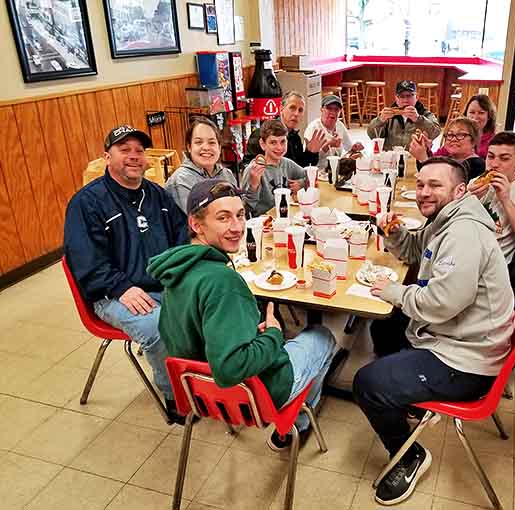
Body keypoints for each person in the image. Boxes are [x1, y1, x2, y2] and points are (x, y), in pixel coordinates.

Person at [354, 156, 515, 505]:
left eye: (435, 185)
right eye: (422, 184)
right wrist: (395, 232)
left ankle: (410, 456)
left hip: (467, 360)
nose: (425, 192)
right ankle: (406, 397)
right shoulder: (446, 219)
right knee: (384, 326)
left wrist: (394, 291)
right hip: (459, 335)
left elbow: (442, 303)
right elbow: (415, 249)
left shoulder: (463, 232)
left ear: (459, 190)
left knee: (366, 383)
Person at [147, 179, 337, 449]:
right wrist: (273, 333)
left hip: (200, 393)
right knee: (322, 336)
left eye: (240, 215)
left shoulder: (175, 271)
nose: (237, 227)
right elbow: (229, 369)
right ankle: (295, 425)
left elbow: (172, 331)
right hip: (250, 397)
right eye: (223, 218)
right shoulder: (223, 283)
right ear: (196, 224)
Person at [63, 125, 188, 421]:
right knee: (159, 327)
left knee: (206, 303)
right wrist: (121, 287)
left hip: (161, 284)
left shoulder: (157, 195)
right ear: (107, 156)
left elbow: (181, 236)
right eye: (124, 149)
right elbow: (86, 261)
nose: (133, 156)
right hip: (113, 294)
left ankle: (205, 380)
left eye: (139, 151)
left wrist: (184, 274)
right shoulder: (86, 203)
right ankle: (175, 396)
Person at [468, 131, 515, 264]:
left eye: (504, 158)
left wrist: (506, 200)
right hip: (463, 251)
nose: (494, 164)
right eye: (490, 157)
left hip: (491, 266)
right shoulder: (475, 184)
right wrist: (466, 198)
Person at [166, 117, 242, 214]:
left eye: (211, 142)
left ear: (219, 147)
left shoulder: (227, 174)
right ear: (189, 147)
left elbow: (239, 210)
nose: (206, 147)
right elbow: (196, 223)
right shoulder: (181, 181)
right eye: (198, 142)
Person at [241, 119, 308, 216]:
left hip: (285, 215)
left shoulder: (287, 163)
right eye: (273, 142)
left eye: (282, 142)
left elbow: (311, 176)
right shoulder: (253, 170)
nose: (279, 148)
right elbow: (244, 209)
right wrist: (254, 187)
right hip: (263, 222)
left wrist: (301, 184)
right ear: (263, 144)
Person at [243, 91, 327, 167]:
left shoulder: (295, 137)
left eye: (300, 110)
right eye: (292, 108)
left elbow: (300, 167)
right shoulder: (262, 134)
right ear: (281, 108)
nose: (296, 114)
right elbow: (247, 168)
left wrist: (311, 152)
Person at [366, 80, 441, 151]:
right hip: (391, 157)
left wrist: (418, 119)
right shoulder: (388, 115)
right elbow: (372, 135)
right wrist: (380, 120)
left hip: (415, 158)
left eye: (409, 95)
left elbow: (435, 132)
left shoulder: (425, 114)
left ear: (416, 97)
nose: (405, 100)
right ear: (396, 98)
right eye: (401, 96)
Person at [409, 116, 486, 179]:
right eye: (450, 135)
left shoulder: (477, 165)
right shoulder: (449, 158)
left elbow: (442, 184)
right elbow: (427, 170)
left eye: (460, 134)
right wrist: (425, 149)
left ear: (474, 141)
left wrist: (423, 159)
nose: (454, 139)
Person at [304, 94, 364, 170]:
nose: (333, 112)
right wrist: (328, 145)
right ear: (322, 109)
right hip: (318, 172)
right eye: (329, 108)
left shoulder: (339, 125)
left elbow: (349, 148)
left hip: (336, 169)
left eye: (336, 109)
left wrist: (355, 148)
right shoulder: (313, 128)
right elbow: (307, 161)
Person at [463, 94, 497, 159]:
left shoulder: (494, 141)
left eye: (481, 113)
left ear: (489, 116)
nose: (475, 117)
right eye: (472, 112)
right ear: (465, 114)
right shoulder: (456, 135)